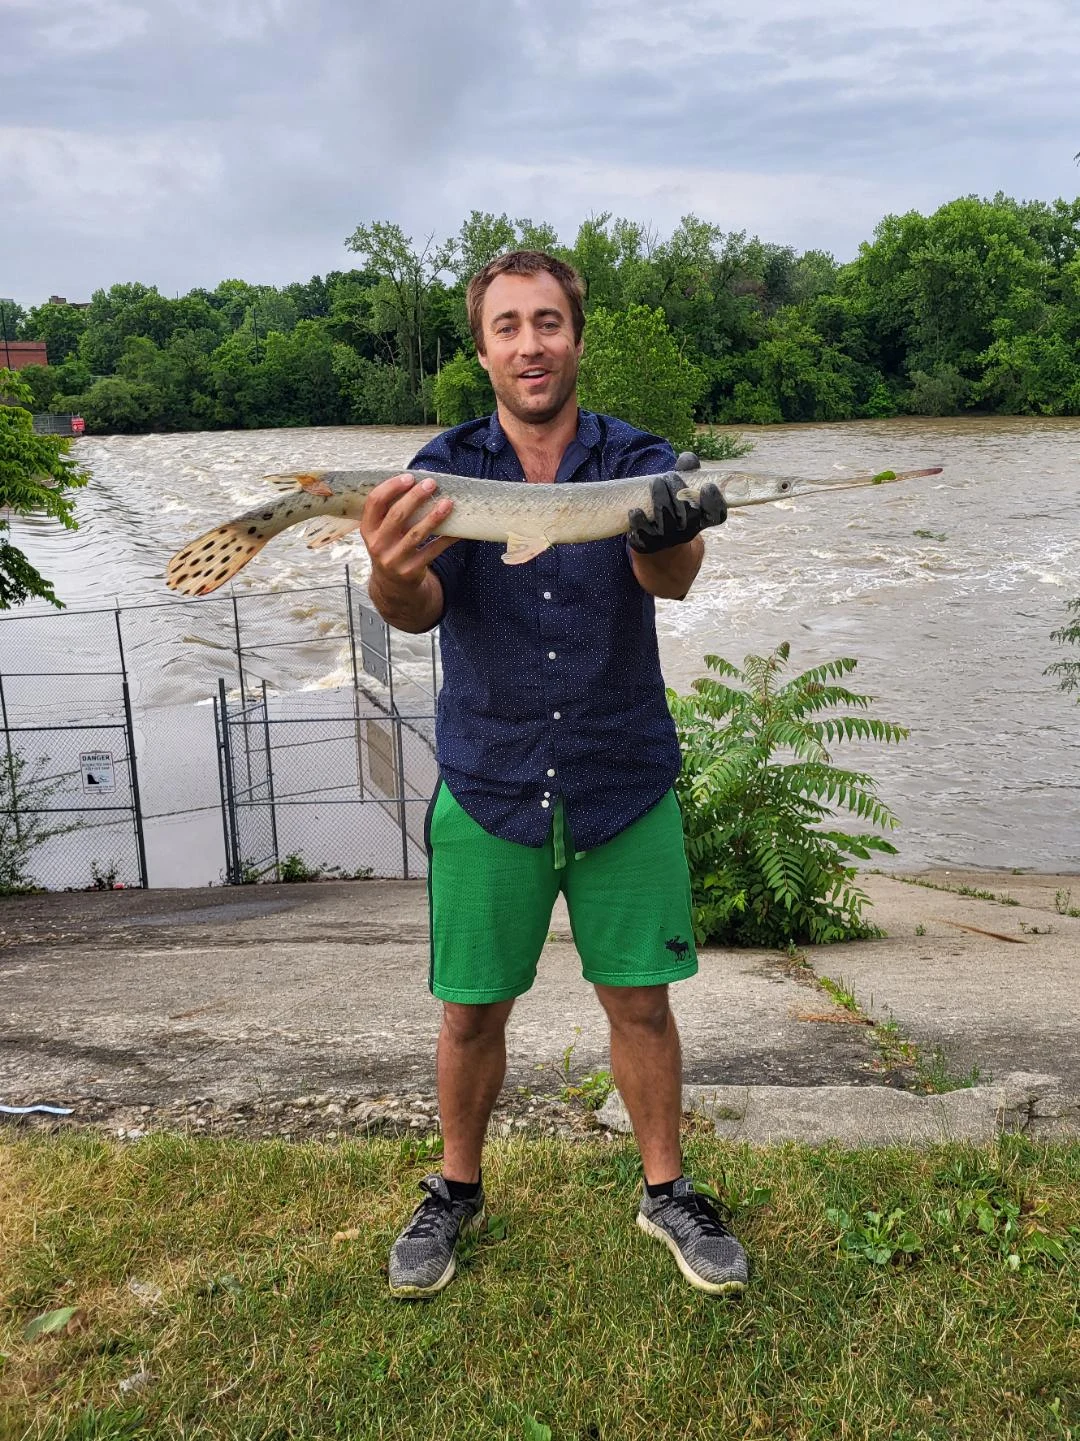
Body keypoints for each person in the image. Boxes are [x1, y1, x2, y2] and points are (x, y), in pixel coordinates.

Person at [359, 250, 747, 1300]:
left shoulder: (640, 459)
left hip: (623, 774)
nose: (531, 344)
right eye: (508, 327)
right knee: (469, 1012)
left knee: (643, 1003)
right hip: (489, 776)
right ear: (482, 348)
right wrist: (390, 570)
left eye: (549, 322)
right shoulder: (441, 468)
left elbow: (671, 579)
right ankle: (454, 1188)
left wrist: (674, 531)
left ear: (577, 335)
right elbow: (418, 612)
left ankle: (665, 1189)